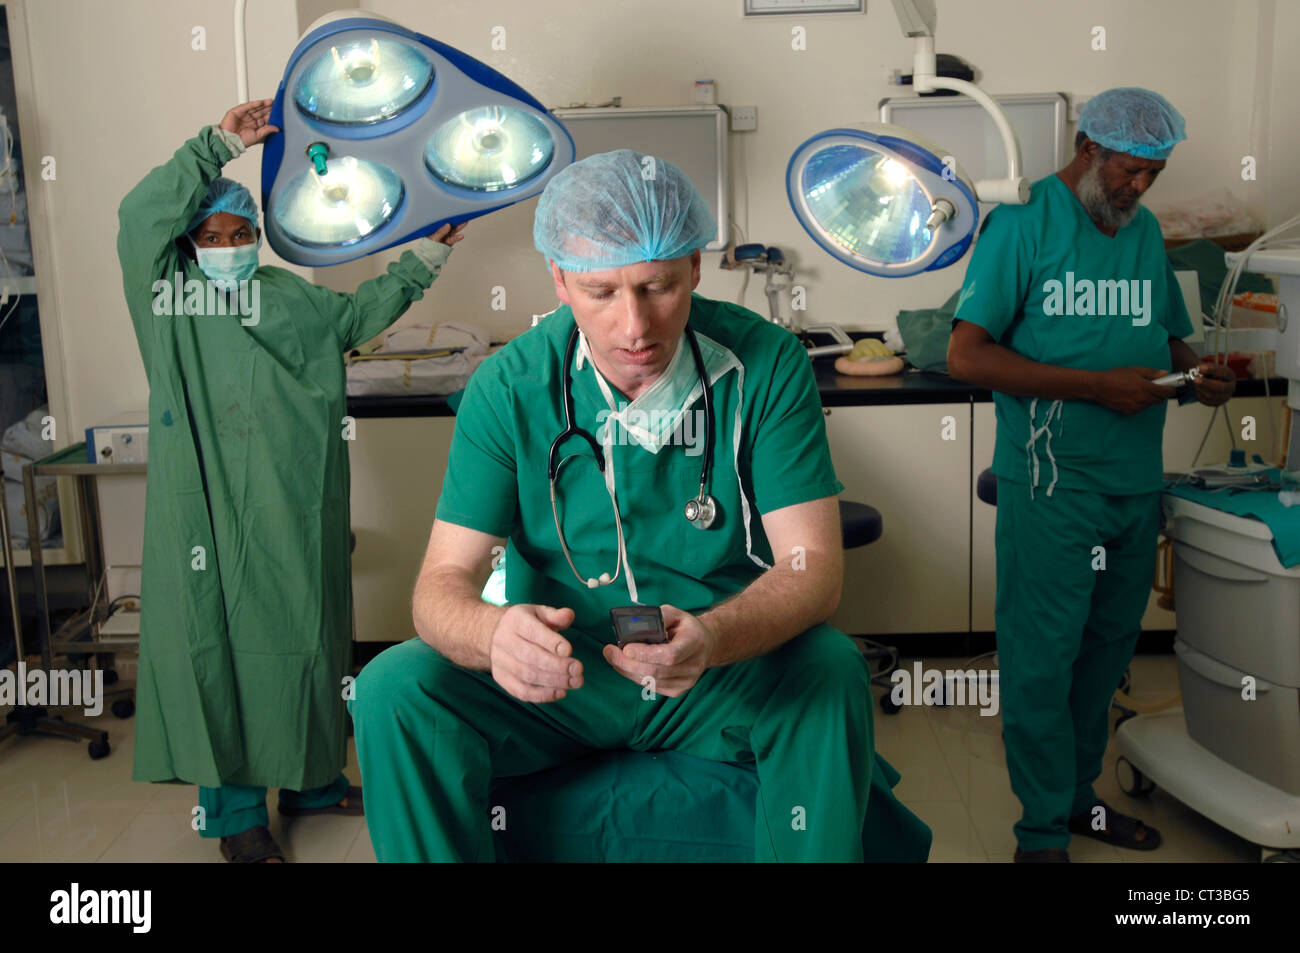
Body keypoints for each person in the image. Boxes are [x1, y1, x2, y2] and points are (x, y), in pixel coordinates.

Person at [349, 150, 930, 862]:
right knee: (392, 687)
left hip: (716, 667)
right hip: (570, 674)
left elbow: (813, 570)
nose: (636, 327)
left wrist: (713, 637)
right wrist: (492, 634)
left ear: (693, 267)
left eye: (656, 286)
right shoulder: (509, 386)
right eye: (600, 292)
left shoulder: (768, 365)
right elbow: (441, 585)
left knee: (829, 669)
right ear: (558, 280)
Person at [117, 99, 466, 863]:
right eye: (213, 236)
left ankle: (311, 781)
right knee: (226, 657)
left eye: (242, 234)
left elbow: (359, 313)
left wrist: (426, 258)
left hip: (294, 505)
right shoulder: (171, 302)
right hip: (212, 516)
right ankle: (237, 816)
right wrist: (216, 145)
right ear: (187, 244)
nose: (230, 246)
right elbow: (138, 214)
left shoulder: (290, 299)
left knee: (309, 641)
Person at [946, 87, 1235, 862]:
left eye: (1154, 175)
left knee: (1104, 654)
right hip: (1052, 482)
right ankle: (1040, 836)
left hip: (1133, 482)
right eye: (1131, 172)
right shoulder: (1020, 222)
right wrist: (1095, 387)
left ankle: (1077, 800)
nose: (1140, 189)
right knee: (1043, 661)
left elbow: (1169, 338)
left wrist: (1198, 372)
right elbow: (966, 353)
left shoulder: (1141, 236)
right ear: (1088, 149)